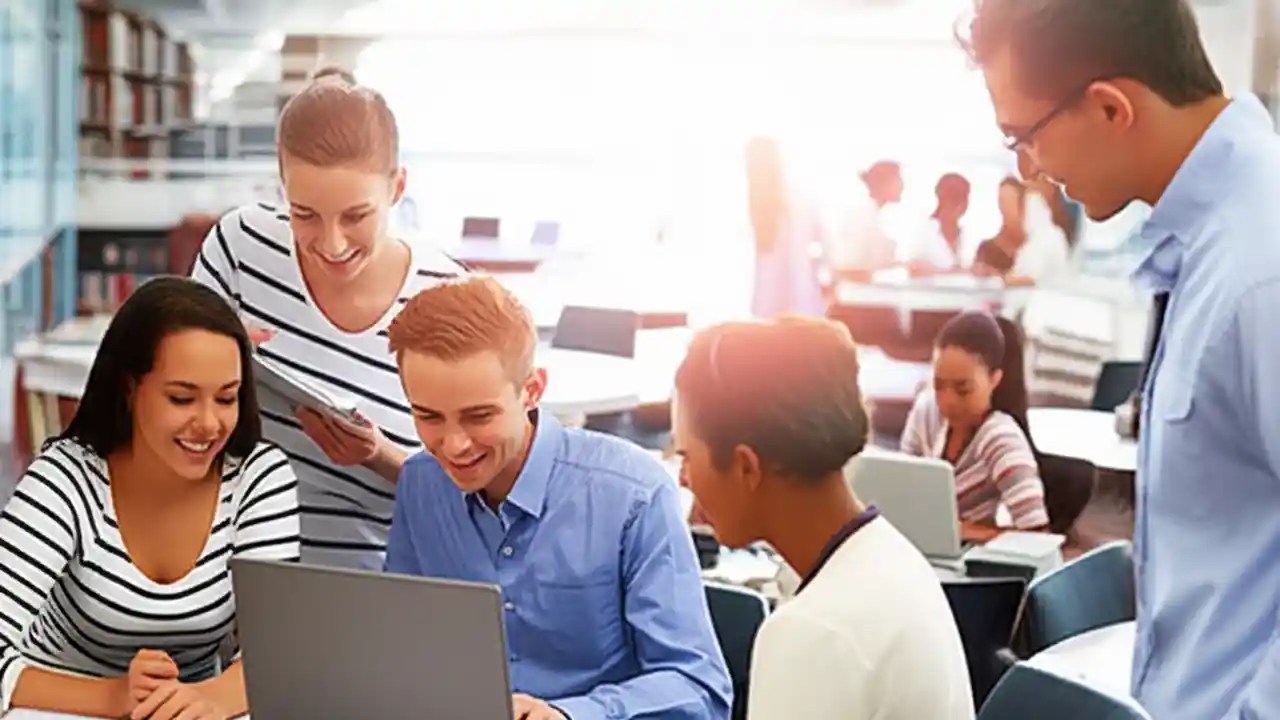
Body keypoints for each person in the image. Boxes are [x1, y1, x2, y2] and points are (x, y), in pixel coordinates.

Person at [964, 1, 1280, 716]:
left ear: (1110, 108)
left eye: (1025, 136)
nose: (1031, 167)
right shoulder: (1207, 242)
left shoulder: (1260, 268)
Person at [383, 276, 732, 720]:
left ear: (532, 390)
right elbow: (403, 655)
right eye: (428, 416)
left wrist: (568, 716)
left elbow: (699, 689)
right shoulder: (421, 483)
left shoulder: (633, 494)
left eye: (479, 416)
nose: (454, 446)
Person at [191, 67, 467, 570]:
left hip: (378, 587)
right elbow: (166, 409)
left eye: (356, 216)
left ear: (397, 187)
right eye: (305, 214)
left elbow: (481, 504)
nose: (330, 244)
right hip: (223, 572)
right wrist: (208, 368)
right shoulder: (240, 247)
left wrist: (378, 455)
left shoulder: (452, 299)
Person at [0, 278, 299, 719]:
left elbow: (272, 656)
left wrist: (207, 699)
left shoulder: (260, 479)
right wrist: (115, 697)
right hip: (57, 704)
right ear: (128, 387)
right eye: (181, 398)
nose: (210, 423)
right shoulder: (66, 478)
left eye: (227, 398)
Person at [672, 316, 973, 719]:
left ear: (746, 467)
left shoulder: (812, 632)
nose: (683, 478)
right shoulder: (893, 557)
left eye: (687, 456)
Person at [901, 311, 1047, 530]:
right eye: (939, 385)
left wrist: (964, 533)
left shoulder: (1001, 439)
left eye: (963, 389)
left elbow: (1037, 532)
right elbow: (902, 487)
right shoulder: (926, 411)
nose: (948, 401)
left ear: (994, 379)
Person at [745, 136, 828, 318]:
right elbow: (826, 250)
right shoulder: (802, 200)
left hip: (772, 318)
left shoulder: (800, 201)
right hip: (800, 314)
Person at [973, 176, 1071, 286]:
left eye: (1010, 200)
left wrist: (1000, 280)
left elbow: (1034, 278)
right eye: (1002, 201)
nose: (1005, 207)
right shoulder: (989, 247)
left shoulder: (1048, 238)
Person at [836, 159, 905, 276]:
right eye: (898, 179)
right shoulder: (860, 218)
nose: (902, 185)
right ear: (883, 183)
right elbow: (848, 266)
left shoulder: (874, 217)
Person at [907, 172, 974, 273]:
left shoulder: (968, 236)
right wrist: (951, 273)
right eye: (954, 200)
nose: (959, 206)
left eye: (963, 200)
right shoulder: (923, 232)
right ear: (941, 200)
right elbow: (914, 268)